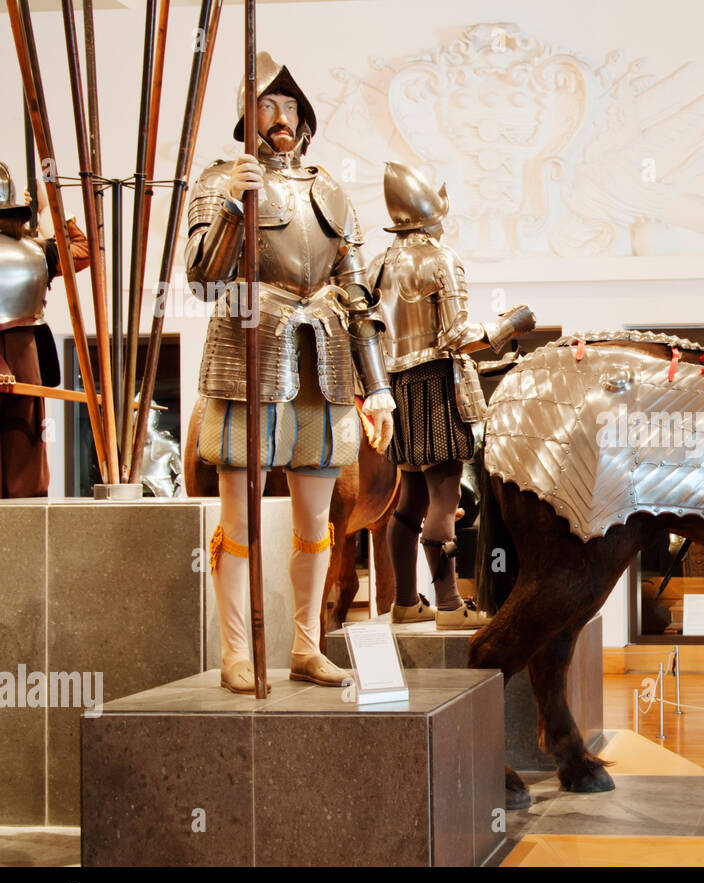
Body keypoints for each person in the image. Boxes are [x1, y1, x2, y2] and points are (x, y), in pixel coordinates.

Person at [186, 52, 394, 693]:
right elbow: (203, 277)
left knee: (317, 520)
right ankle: (237, 653)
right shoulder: (220, 181)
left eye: (290, 108)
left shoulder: (329, 190)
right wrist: (233, 209)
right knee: (241, 521)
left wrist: (379, 384)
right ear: (246, 118)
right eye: (267, 107)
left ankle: (307, 645)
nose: (281, 119)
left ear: (305, 119)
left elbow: (357, 295)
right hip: (248, 350)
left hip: (323, 363)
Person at [369, 162, 533, 628]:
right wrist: (509, 325)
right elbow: (458, 334)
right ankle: (447, 606)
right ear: (431, 211)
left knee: (410, 501)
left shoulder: (380, 262)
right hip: (438, 383)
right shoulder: (439, 258)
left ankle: (405, 601)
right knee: (444, 498)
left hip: (398, 388)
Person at [0, 165, 90, 497]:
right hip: (24, 358)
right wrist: (49, 206)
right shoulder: (36, 250)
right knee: (25, 449)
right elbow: (82, 249)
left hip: (24, 358)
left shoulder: (38, 249)